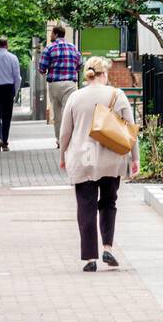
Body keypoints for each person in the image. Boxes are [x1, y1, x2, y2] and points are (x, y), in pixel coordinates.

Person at [59, 56, 139, 272]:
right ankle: (108, 247)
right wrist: (135, 158)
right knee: (108, 203)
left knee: (86, 207)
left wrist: (62, 156)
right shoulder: (117, 95)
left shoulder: (75, 97)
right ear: (104, 74)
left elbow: (65, 132)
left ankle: (89, 258)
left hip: (84, 158)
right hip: (111, 159)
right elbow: (131, 129)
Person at [38, 25, 82, 147]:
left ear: (56, 34)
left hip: (55, 84)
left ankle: (60, 140)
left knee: (57, 114)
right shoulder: (73, 48)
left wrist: (45, 72)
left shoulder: (49, 48)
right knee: (69, 112)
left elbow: (42, 67)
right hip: (70, 84)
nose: (51, 36)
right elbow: (79, 65)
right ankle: (71, 139)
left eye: (52, 33)